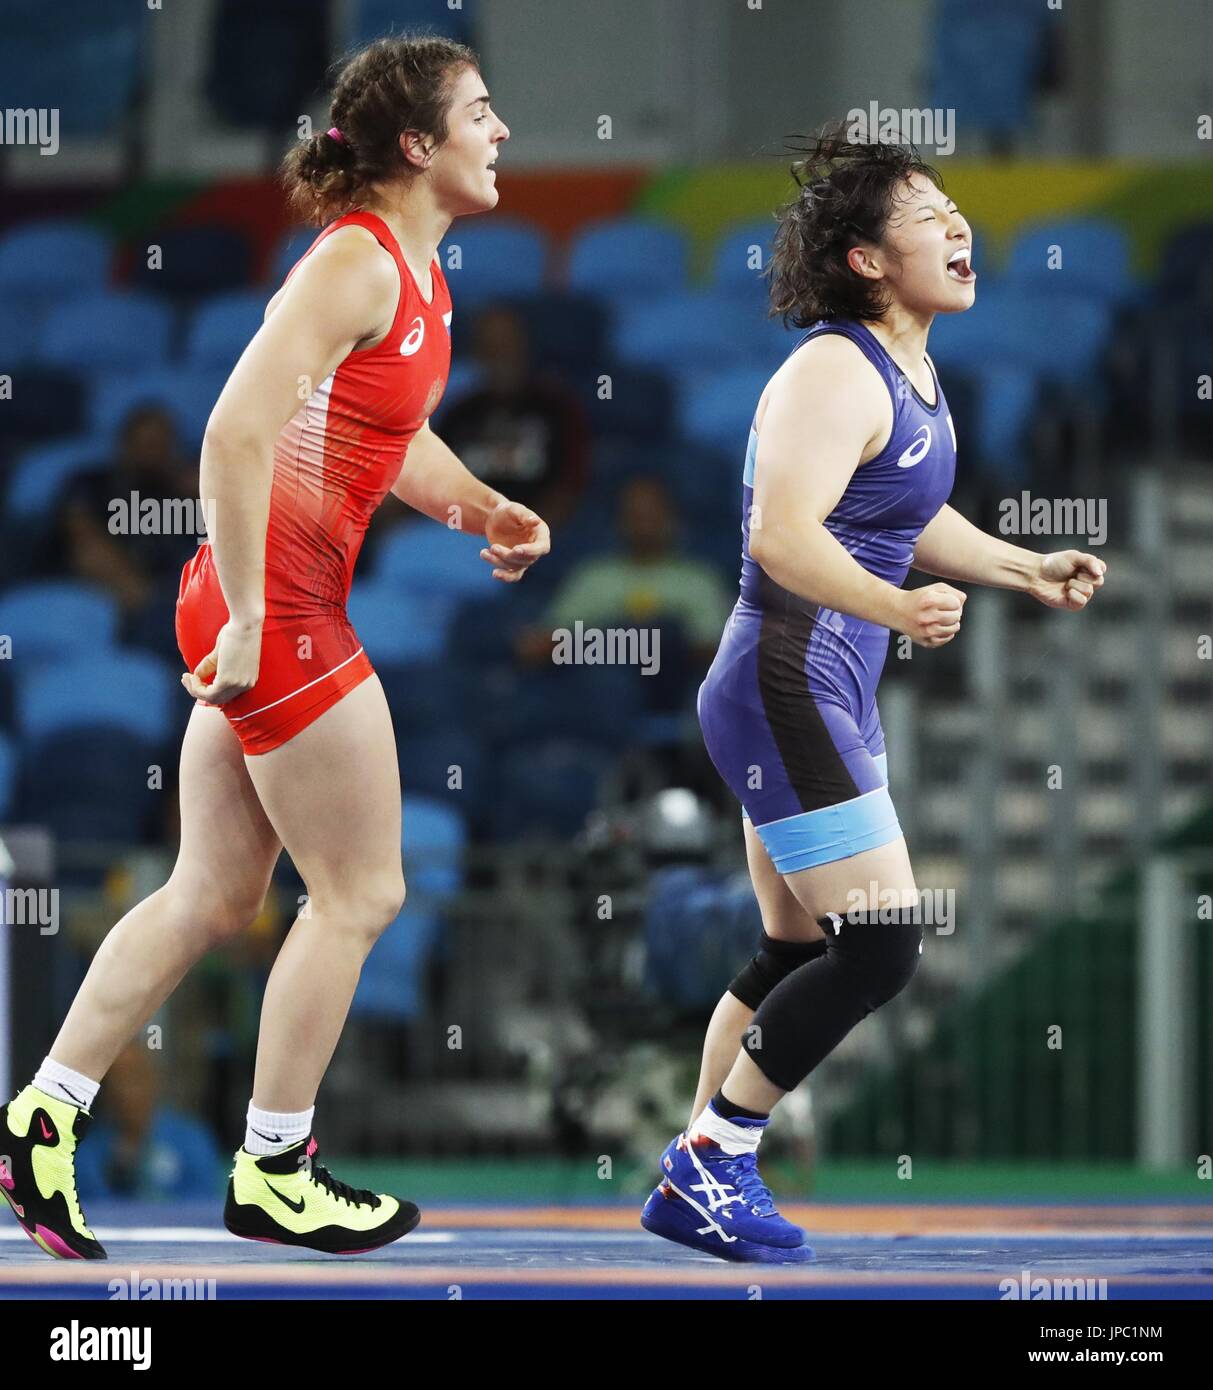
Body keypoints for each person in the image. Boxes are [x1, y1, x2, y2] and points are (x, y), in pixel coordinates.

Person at [0, 32, 547, 1261]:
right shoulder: (356, 262)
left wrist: (485, 511)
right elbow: (233, 434)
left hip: (262, 604)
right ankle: (276, 1165)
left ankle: (41, 1118)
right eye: (481, 112)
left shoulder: (412, 270)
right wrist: (252, 616)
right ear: (418, 145)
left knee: (214, 892)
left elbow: (390, 440)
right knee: (363, 890)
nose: (501, 131)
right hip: (279, 611)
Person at [640, 128, 1106, 1264]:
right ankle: (712, 1161)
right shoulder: (834, 366)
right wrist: (897, 610)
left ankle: (698, 1163)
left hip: (822, 687)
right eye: (927, 212)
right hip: (786, 676)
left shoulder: (909, 377)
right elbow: (779, 533)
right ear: (863, 259)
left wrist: (1018, 565)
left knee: (795, 958)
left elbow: (905, 519)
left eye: (955, 206)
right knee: (884, 946)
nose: (957, 224)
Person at [436, 304, 590, 527]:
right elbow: (443, 486)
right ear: (478, 353)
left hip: (541, 530)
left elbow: (571, 484)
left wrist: (531, 530)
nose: (500, 354)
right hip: (468, 533)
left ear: (525, 346)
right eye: (491, 347)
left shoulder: (558, 408)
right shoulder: (458, 414)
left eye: (507, 345)